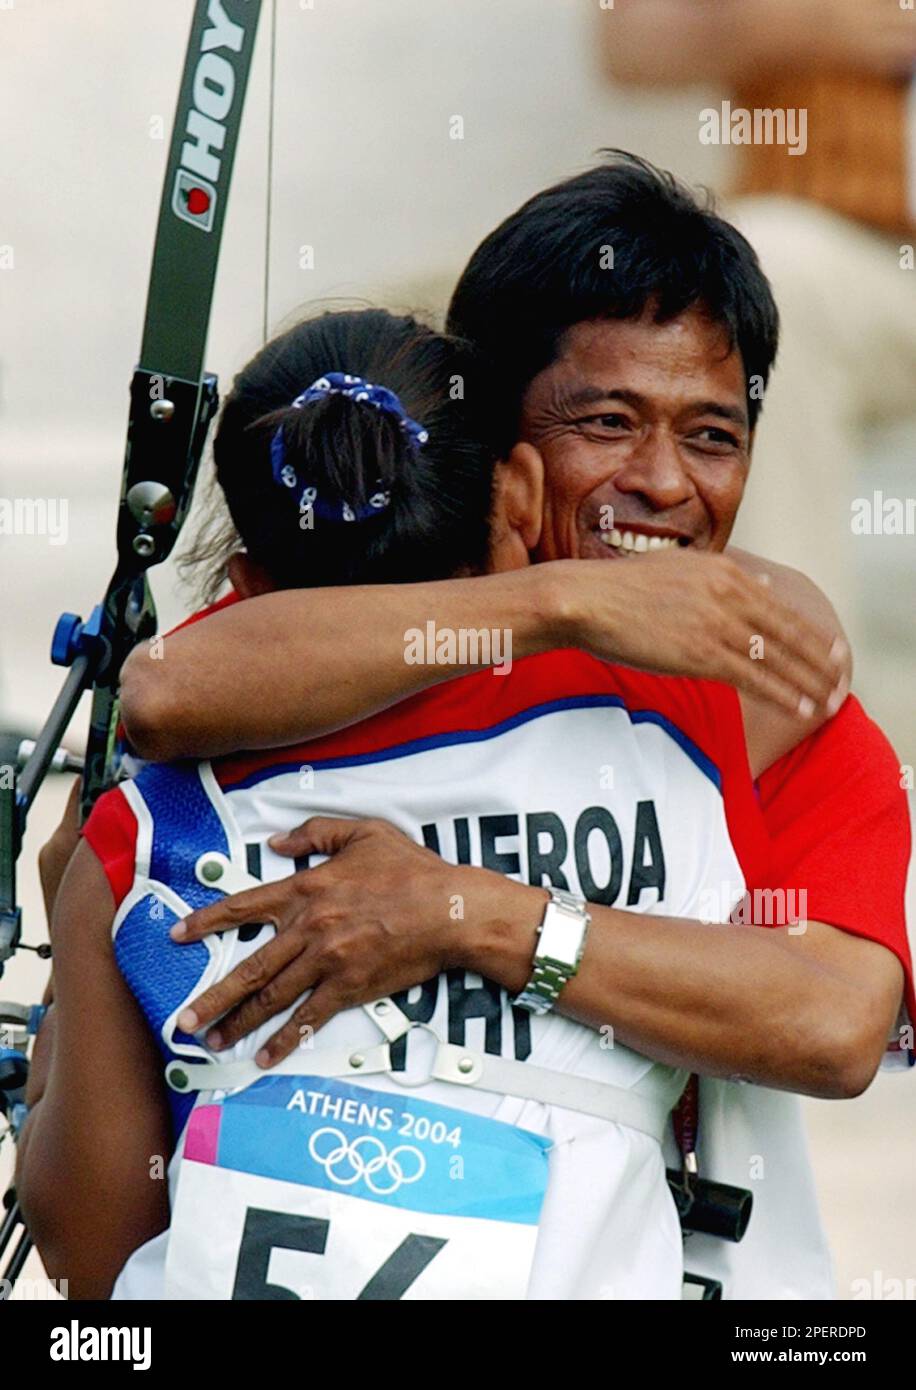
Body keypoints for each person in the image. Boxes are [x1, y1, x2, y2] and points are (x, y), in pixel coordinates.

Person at [115, 155, 914, 1300]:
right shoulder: (346, 649)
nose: (665, 484)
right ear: (499, 444)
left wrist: (475, 917)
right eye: (607, 420)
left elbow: (836, 1022)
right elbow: (161, 695)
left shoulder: (751, 691)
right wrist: (559, 601)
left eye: (712, 437)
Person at [20, 304, 801, 1301]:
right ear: (518, 496)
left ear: (245, 581)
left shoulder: (150, 828)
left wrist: (72, 944)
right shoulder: (677, 720)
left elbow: (94, 1250)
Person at [600, 0, 916, 661]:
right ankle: (787, 691)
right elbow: (630, 42)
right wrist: (817, 22)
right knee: (760, 275)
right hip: (854, 242)